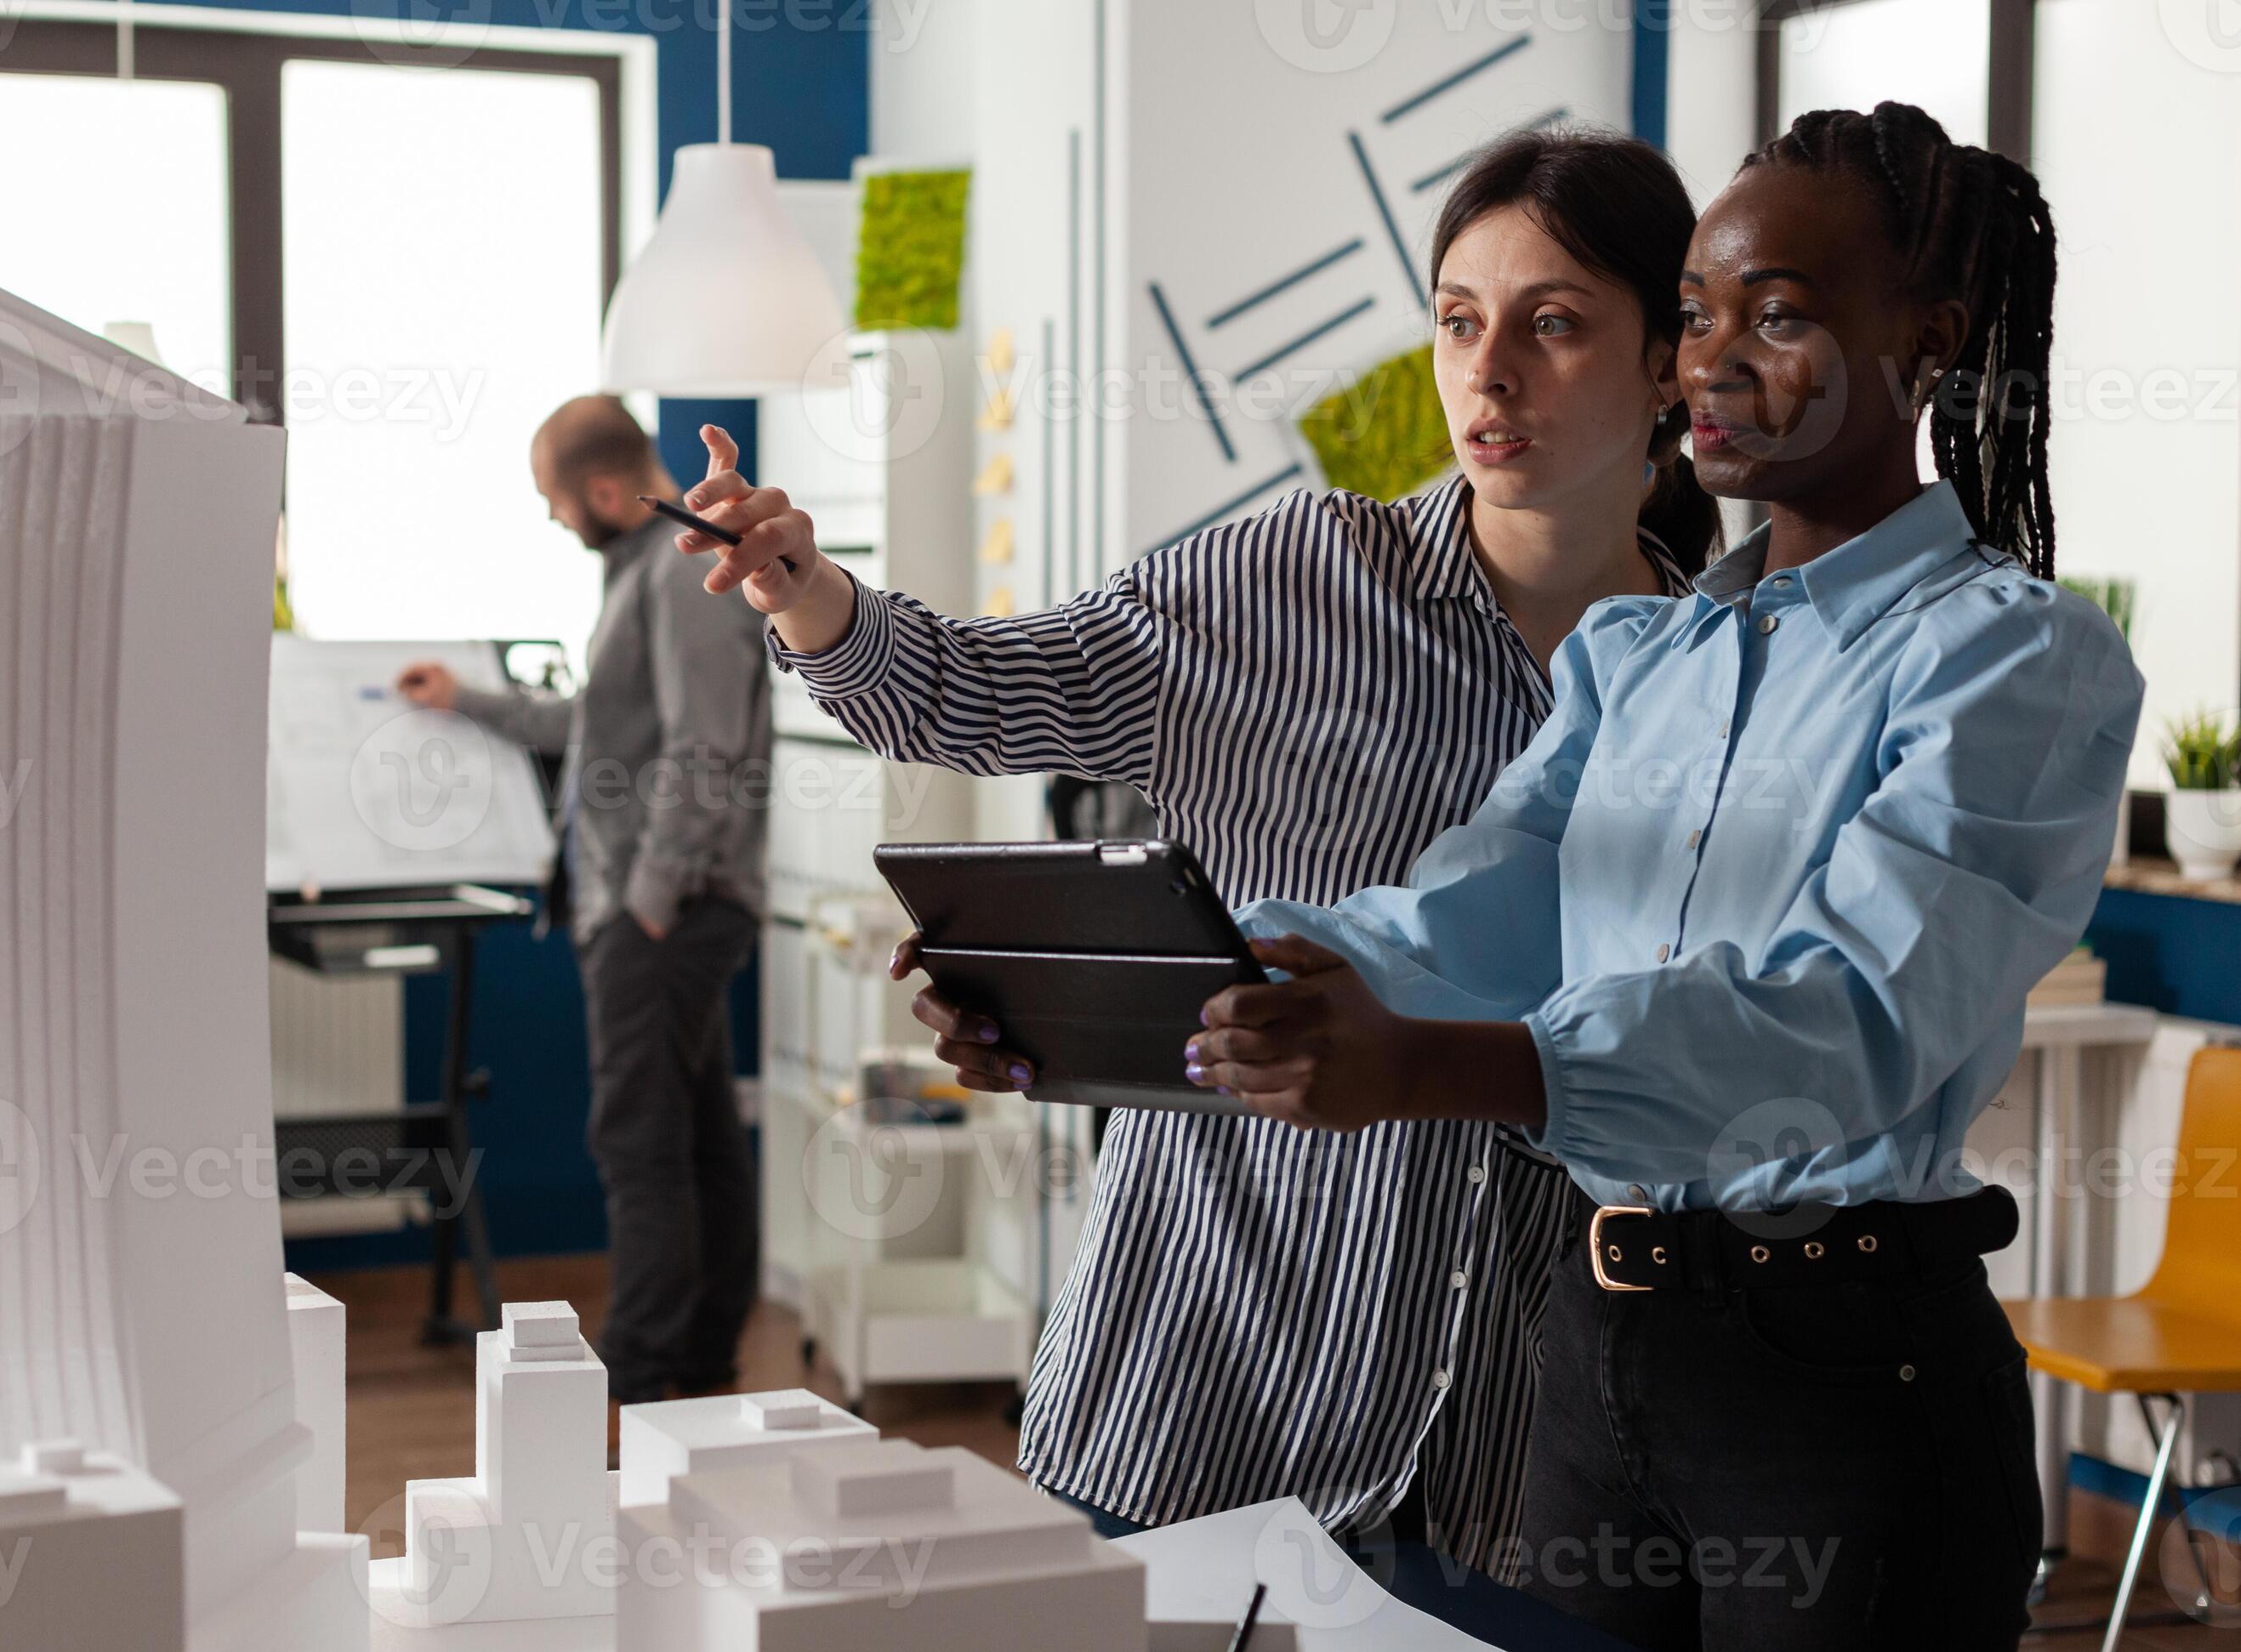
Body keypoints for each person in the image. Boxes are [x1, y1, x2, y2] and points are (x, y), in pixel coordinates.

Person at [673, 131, 1715, 1575]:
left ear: (1671, 359)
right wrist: (808, 590)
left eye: (1555, 325)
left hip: (1503, 1425)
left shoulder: (1722, 678)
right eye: (1460, 322)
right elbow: (977, 687)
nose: (1490, 374)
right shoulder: (1287, 579)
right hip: (1202, 1360)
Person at [1187, 104, 2137, 1652]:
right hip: (1598, 1345)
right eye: (1694, 313)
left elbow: (1842, 1023)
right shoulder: (1644, 651)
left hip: (1841, 1391)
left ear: (1930, 337)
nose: (1711, 357)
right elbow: (1481, 901)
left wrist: (1438, 1069)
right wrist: (1188, 966)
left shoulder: (2012, 659)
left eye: (1778, 315)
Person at [398, 395, 771, 1405]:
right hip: (657, 902)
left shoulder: (689, 572)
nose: (554, 520)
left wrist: (648, 899)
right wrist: (464, 701)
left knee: (637, 1138)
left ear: (604, 490)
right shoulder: (643, 572)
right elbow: (595, 724)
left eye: (554, 502)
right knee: (688, 1135)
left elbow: (708, 748)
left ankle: (645, 1383)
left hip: (669, 907)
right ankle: (693, 1372)